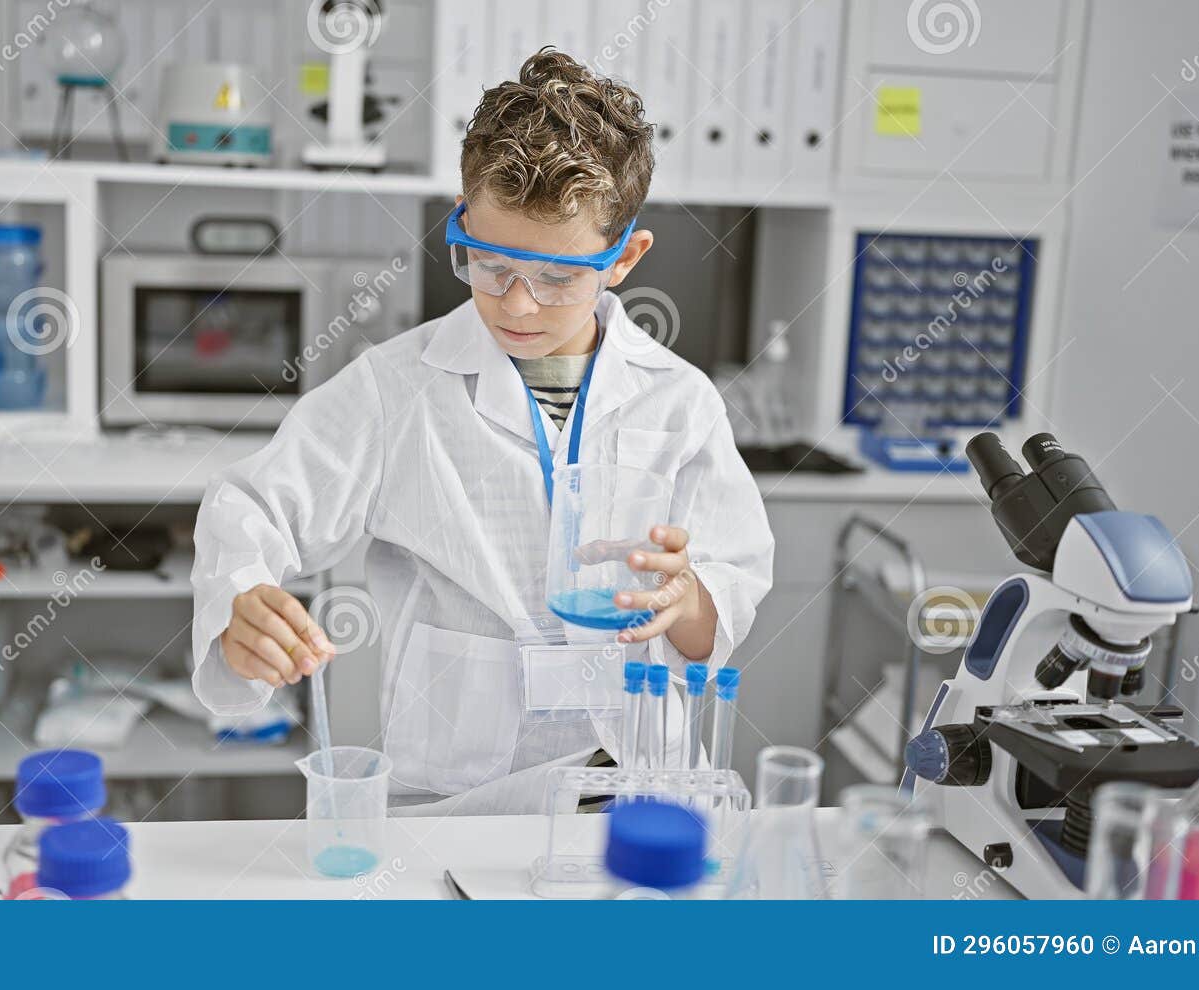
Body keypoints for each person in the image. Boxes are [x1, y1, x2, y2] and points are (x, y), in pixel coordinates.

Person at [192, 48, 774, 815]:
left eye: (558, 278)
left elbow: (719, 611)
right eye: (490, 263)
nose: (518, 305)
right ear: (461, 223)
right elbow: (252, 505)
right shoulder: (397, 387)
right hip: (460, 802)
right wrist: (243, 598)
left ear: (625, 257)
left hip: (643, 789)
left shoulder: (679, 403)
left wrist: (688, 598)